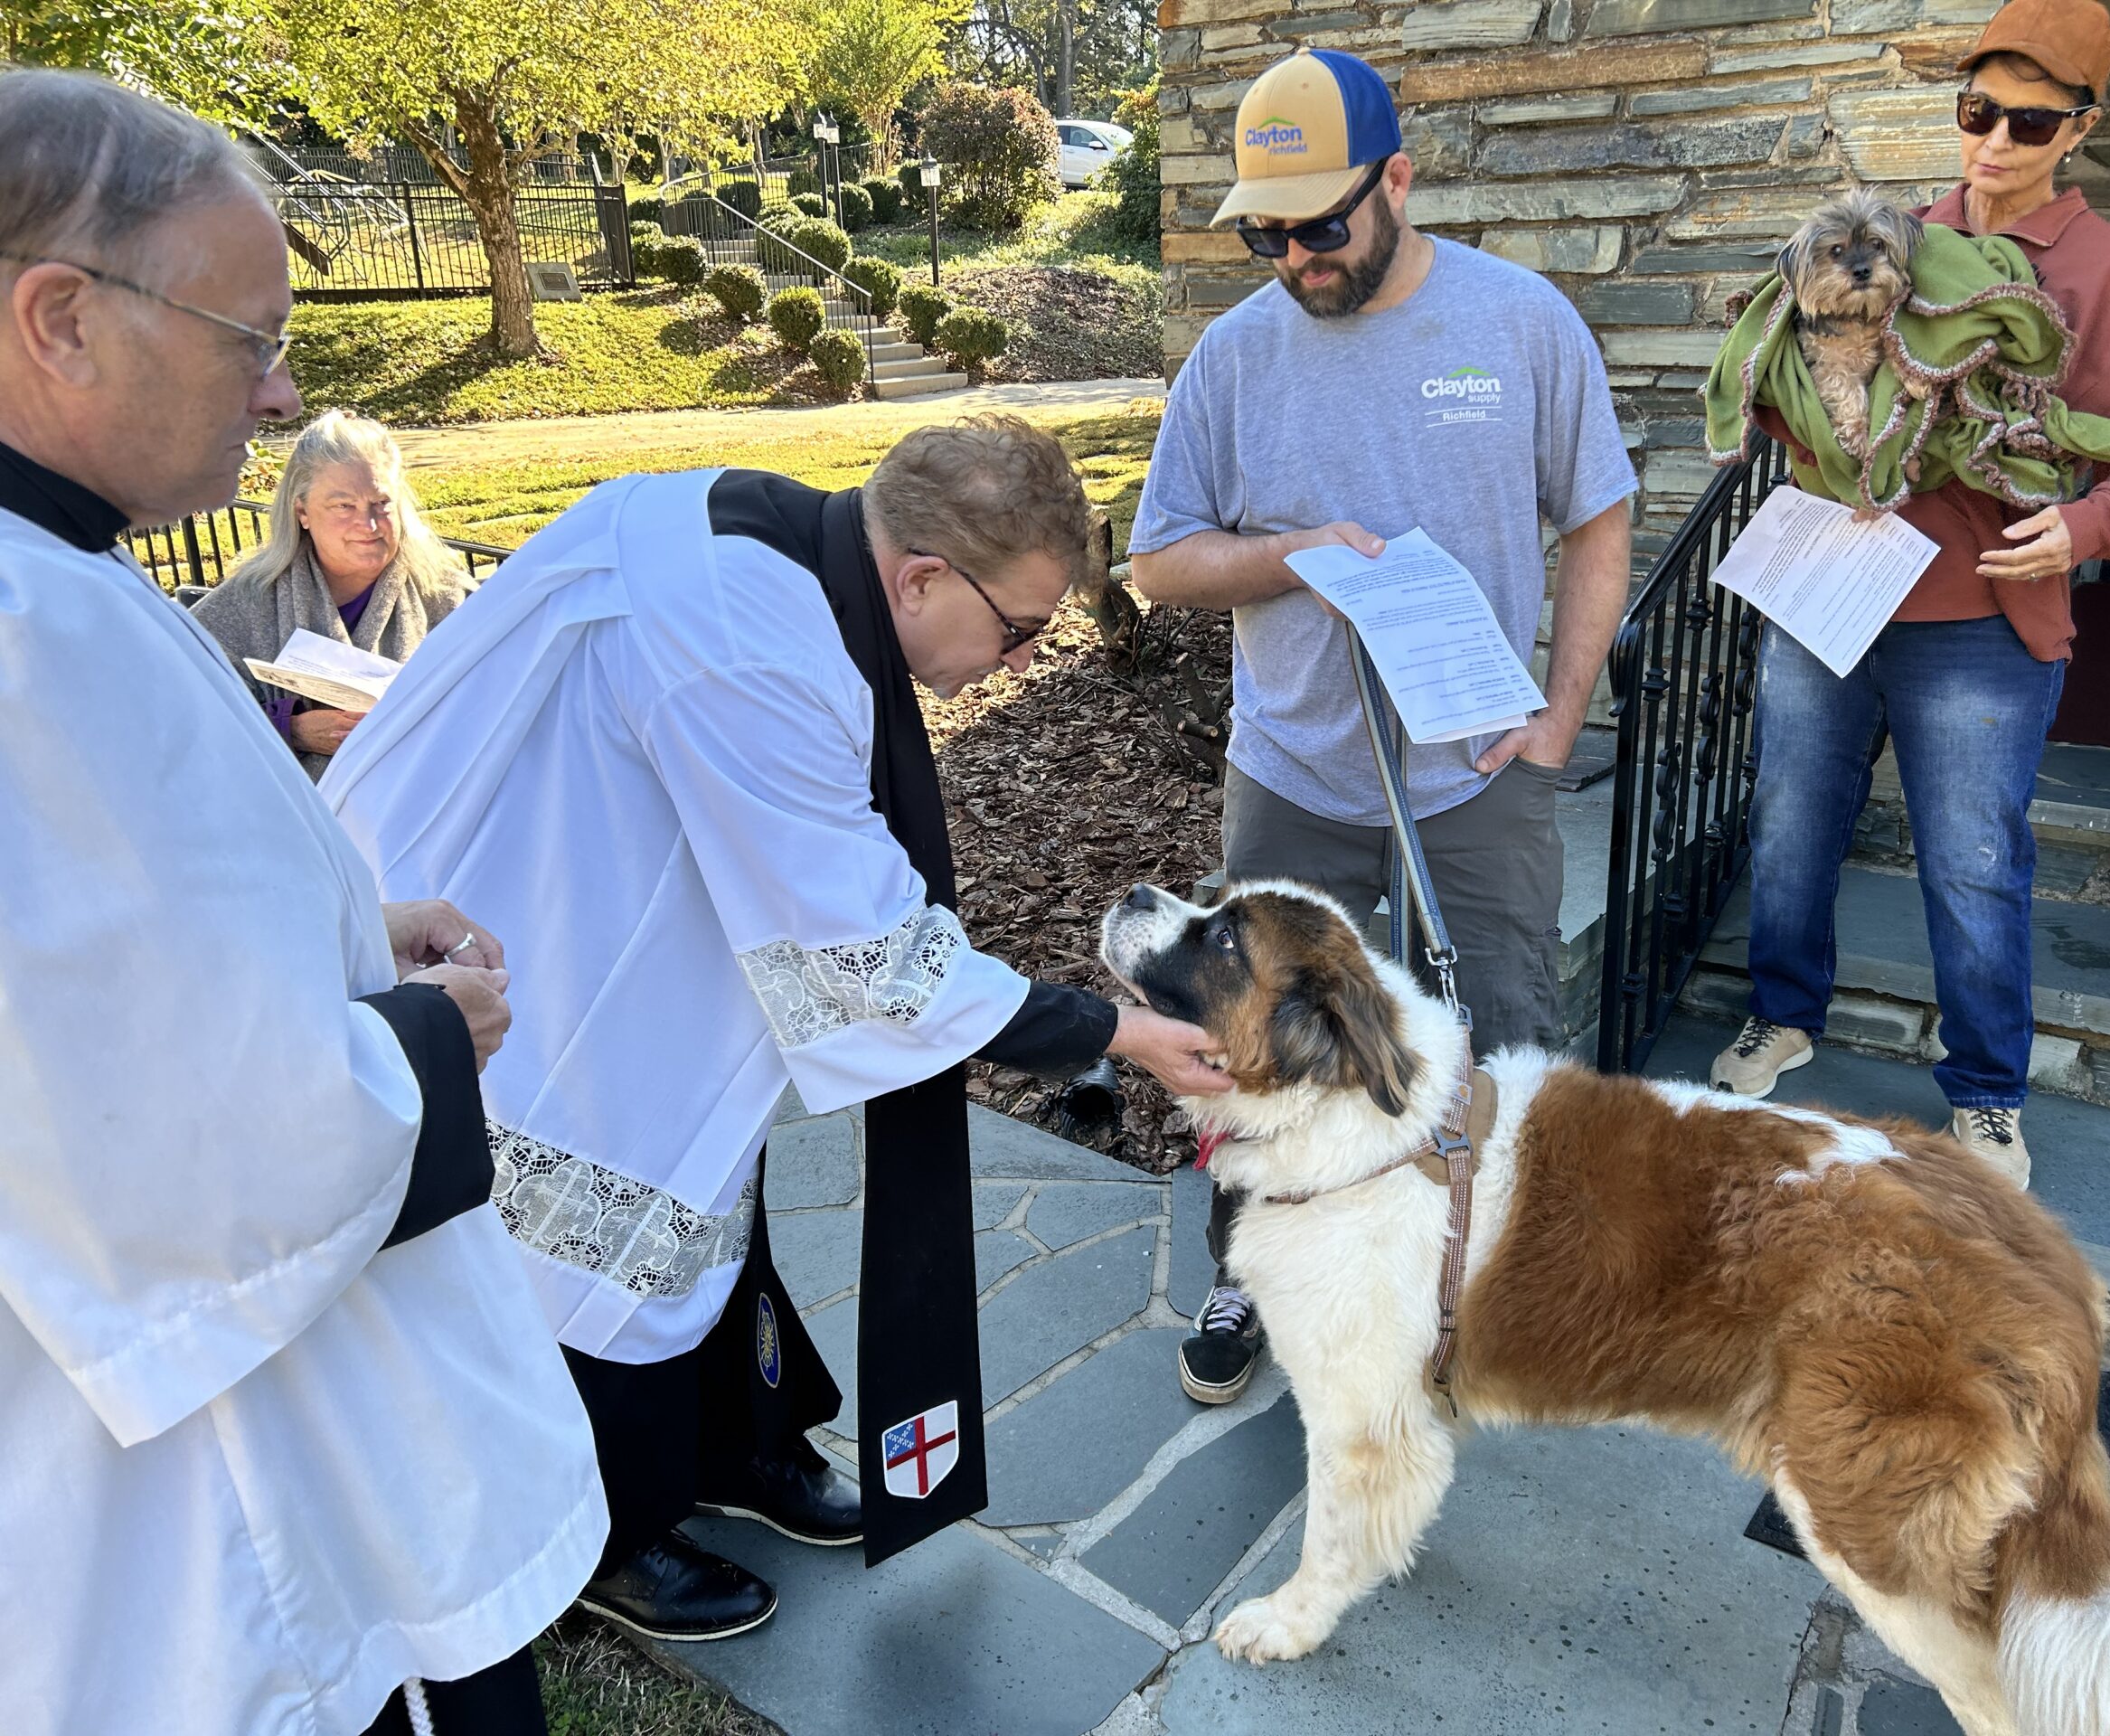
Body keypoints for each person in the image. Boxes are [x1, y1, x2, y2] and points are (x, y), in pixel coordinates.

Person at [323, 416, 1229, 1641]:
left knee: (702, 1183)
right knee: (609, 1220)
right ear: (917, 576)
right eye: (1021, 632)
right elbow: (869, 960)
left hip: (620, 895)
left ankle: (734, 1451)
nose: (1025, 663)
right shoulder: (752, 642)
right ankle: (611, 1531)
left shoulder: (790, 545)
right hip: (527, 930)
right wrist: (1113, 1031)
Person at [0, 70, 605, 1736]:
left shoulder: (64, 573)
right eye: (248, 339)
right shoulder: (22, 639)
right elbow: (162, 1149)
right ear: (60, 319)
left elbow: (126, 957)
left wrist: (350, 925)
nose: (278, 399)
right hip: (210, 1507)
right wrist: (427, 1036)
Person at [1129, 45, 1638, 1405]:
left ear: (1397, 181)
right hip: (1294, 773)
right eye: (1267, 232)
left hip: (1477, 774)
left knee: (1513, 1037)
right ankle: (1247, 1280)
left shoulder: (1519, 322)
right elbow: (1161, 562)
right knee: (1247, 1056)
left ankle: (1514, 1290)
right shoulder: (1235, 358)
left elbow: (1599, 520)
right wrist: (1292, 552)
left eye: (1322, 224)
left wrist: (1559, 716)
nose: (1296, 255)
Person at [1710, 0, 2110, 1188]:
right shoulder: (1893, 234)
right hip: (1832, 587)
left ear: (2078, 129)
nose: (1994, 143)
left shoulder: (2109, 273)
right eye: (1977, 112)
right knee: (1788, 821)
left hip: (1982, 620)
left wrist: (2084, 526)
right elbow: (1797, 377)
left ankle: (1985, 1091)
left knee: (1976, 859)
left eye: (2028, 122)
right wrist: (1792, 410)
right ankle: (1784, 1014)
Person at [193, 409, 470, 778]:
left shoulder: (447, 594)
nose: (368, 525)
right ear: (302, 512)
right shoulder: (244, 604)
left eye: (381, 503)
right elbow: (184, 720)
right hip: (295, 824)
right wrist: (291, 730)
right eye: (343, 506)